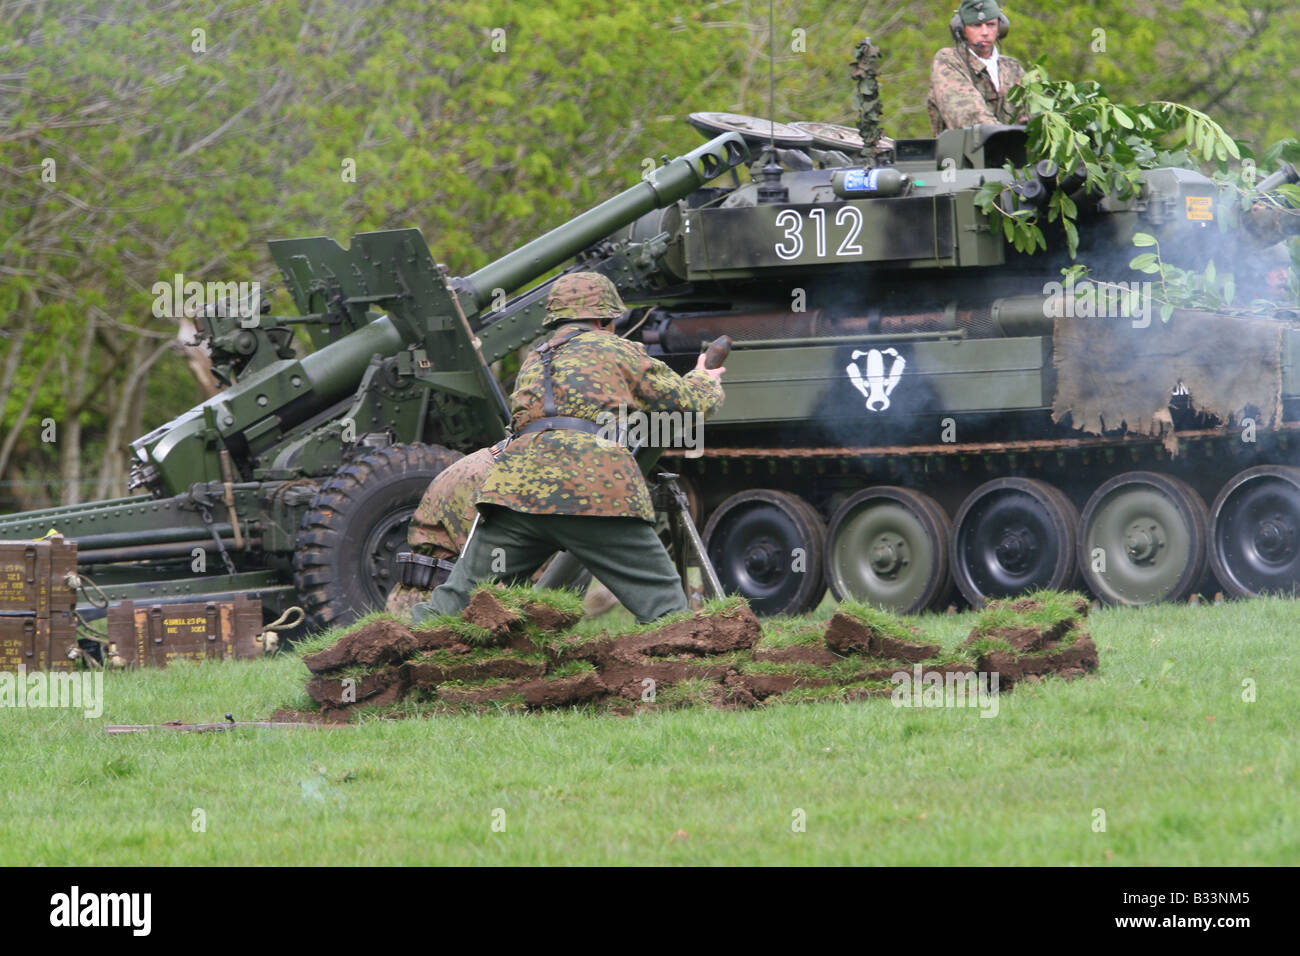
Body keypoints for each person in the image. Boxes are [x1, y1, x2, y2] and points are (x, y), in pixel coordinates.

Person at [409, 272, 724, 625]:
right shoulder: (616, 348)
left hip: (517, 493)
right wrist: (704, 379)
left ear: (556, 319)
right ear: (606, 318)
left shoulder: (535, 359)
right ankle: (686, 666)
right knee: (668, 613)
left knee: (453, 607)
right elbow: (686, 404)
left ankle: (392, 646)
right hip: (595, 491)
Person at [926, 0, 1028, 136]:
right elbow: (967, 115)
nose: (984, 32)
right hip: (959, 155)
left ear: (1001, 28)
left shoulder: (1012, 67)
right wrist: (1005, 138)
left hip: (1013, 153)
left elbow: (1031, 116)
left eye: (991, 25)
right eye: (976, 25)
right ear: (961, 29)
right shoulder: (949, 61)